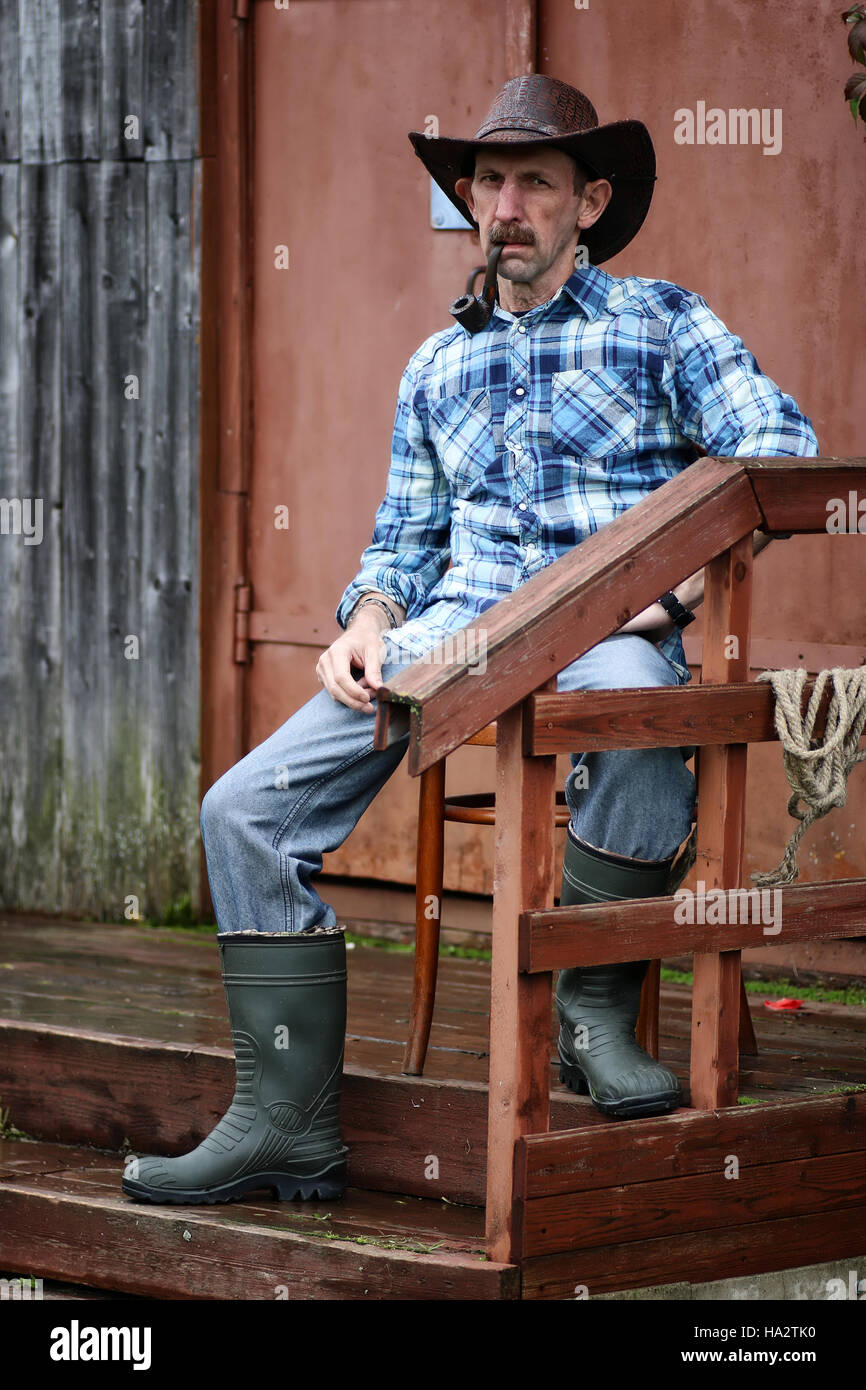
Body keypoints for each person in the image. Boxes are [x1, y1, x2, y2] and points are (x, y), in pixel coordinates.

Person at [122, 74, 818, 1207]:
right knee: (240, 810)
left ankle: (588, 1016)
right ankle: (285, 1121)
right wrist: (365, 621)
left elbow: (777, 456)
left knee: (643, 715)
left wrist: (671, 595)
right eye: (486, 180)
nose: (503, 204)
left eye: (532, 182)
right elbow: (401, 539)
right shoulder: (435, 365)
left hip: (605, 631)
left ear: (587, 201)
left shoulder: (661, 322)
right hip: (454, 640)